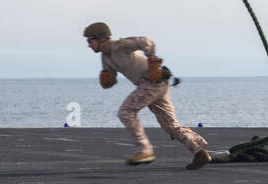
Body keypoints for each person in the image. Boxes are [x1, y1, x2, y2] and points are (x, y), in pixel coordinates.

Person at [84, 21, 211, 169]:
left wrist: (153, 63)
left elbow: (146, 42)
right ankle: (200, 152)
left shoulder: (119, 45)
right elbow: (110, 78)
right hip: (156, 84)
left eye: (90, 40)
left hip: (151, 82)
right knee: (169, 125)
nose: (88, 45)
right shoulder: (105, 57)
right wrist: (107, 79)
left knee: (126, 112)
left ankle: (145, 150)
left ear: (101, 38)